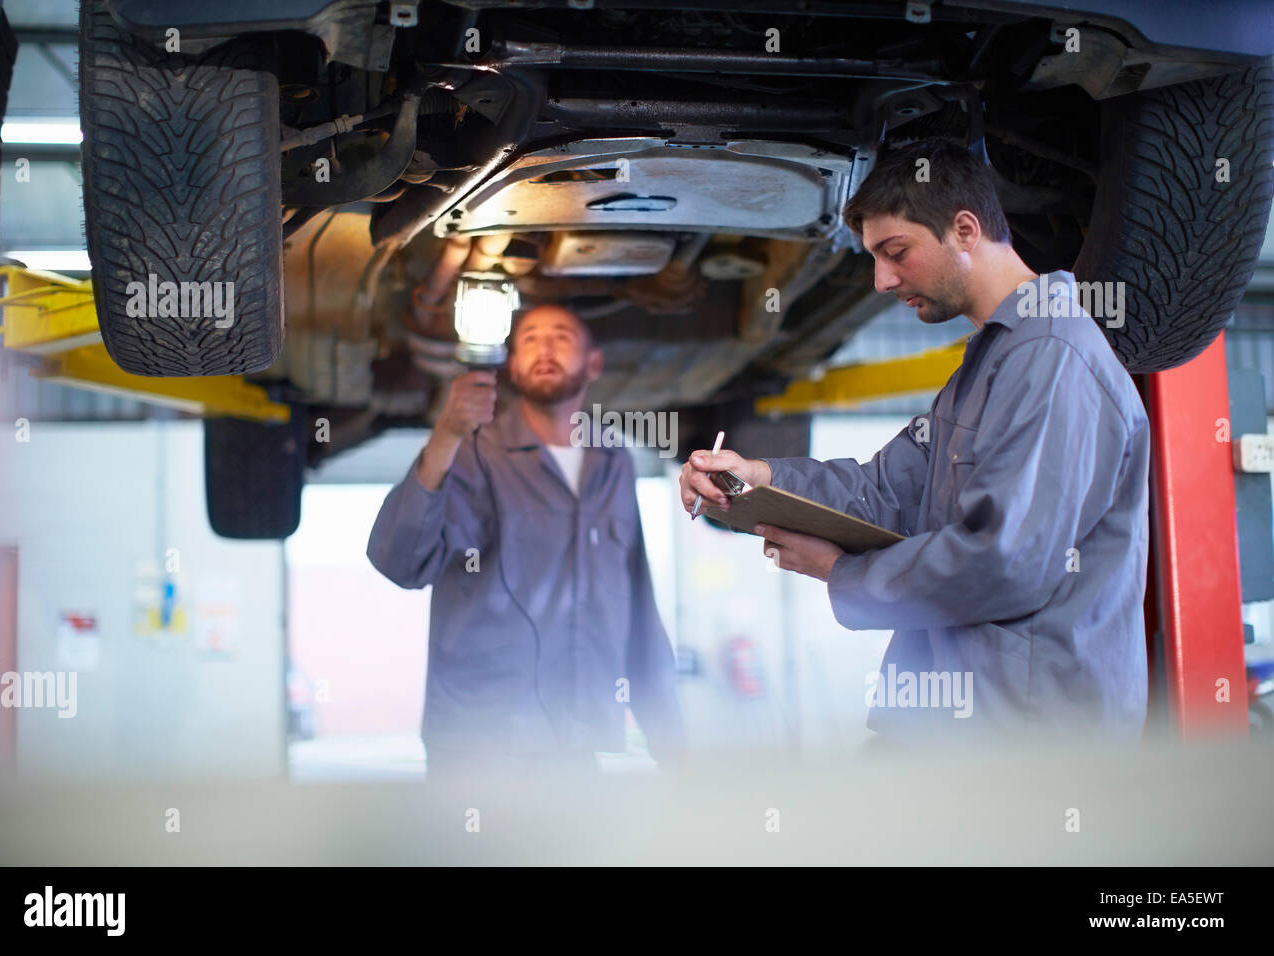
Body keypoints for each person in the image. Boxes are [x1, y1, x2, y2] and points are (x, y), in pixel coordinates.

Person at [680, 137, 1150, 746]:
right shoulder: (989, 366)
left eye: (894, 251)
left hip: (1029, 744)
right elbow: (885, 489)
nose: (880, 279)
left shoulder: (1052, 355)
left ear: (963, 229)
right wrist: (761, 477)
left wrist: (843, 575)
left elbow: (1007, 562)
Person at [368, 303, 686, 775]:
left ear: (593, 363)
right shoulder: (474, 451)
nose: (545, 347)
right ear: (511, 364)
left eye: (562, 335)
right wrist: (445, 436)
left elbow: (637, 604)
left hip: (577, 744)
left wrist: (673, 747)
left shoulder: (612, 460)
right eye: (530, 338)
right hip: (479, 745)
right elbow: (401, 561)